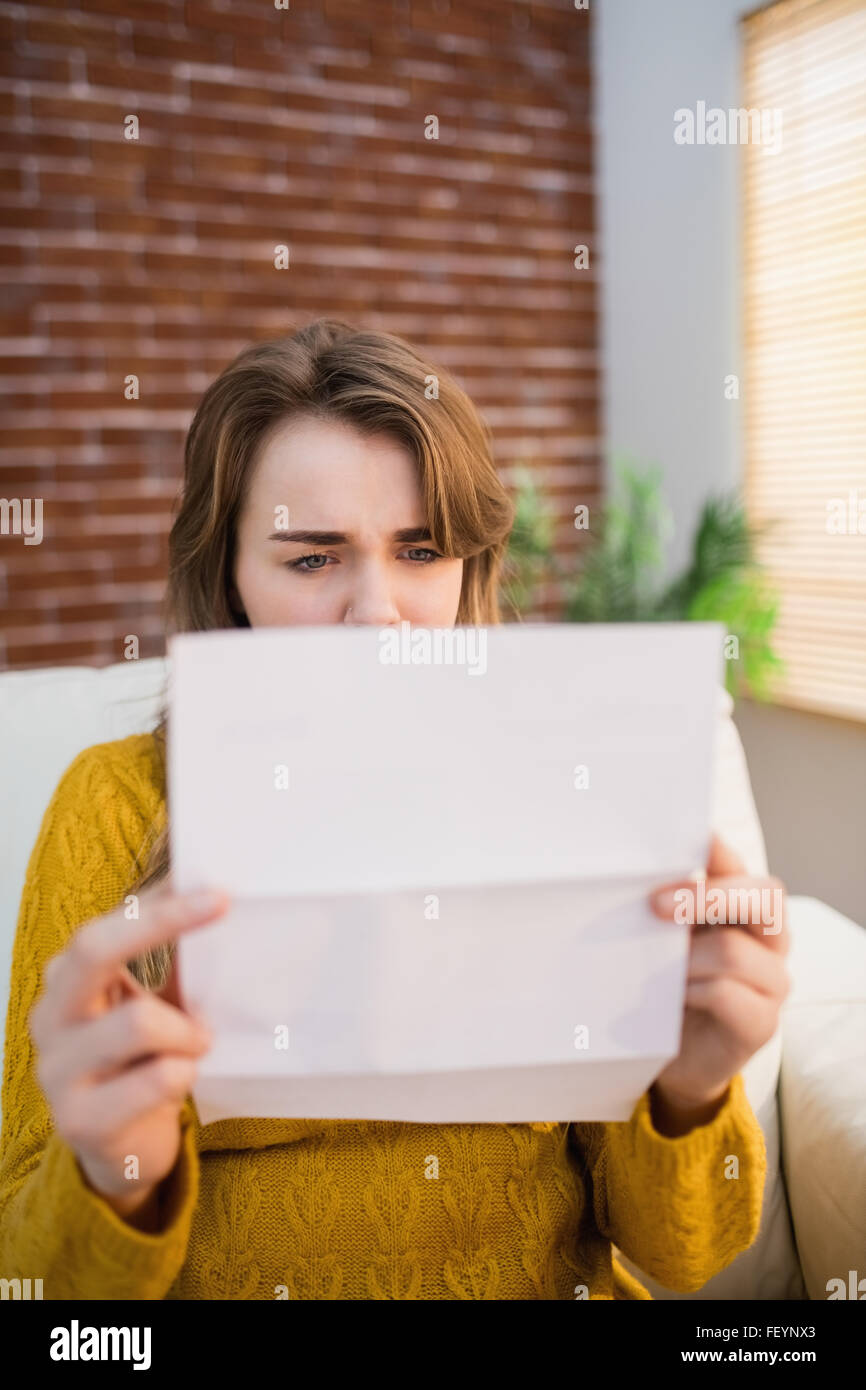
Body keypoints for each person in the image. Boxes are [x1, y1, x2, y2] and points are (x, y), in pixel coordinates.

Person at [0, 319, 789, 1299]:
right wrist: (115, 1172)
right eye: (310, 558)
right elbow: (34, 1288)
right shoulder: (115, 803)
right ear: (229, 581)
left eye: (419, 550)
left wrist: (689, 1090)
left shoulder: (566, 786)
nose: (378, 611)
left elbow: (687, 1254)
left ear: (467, 569)